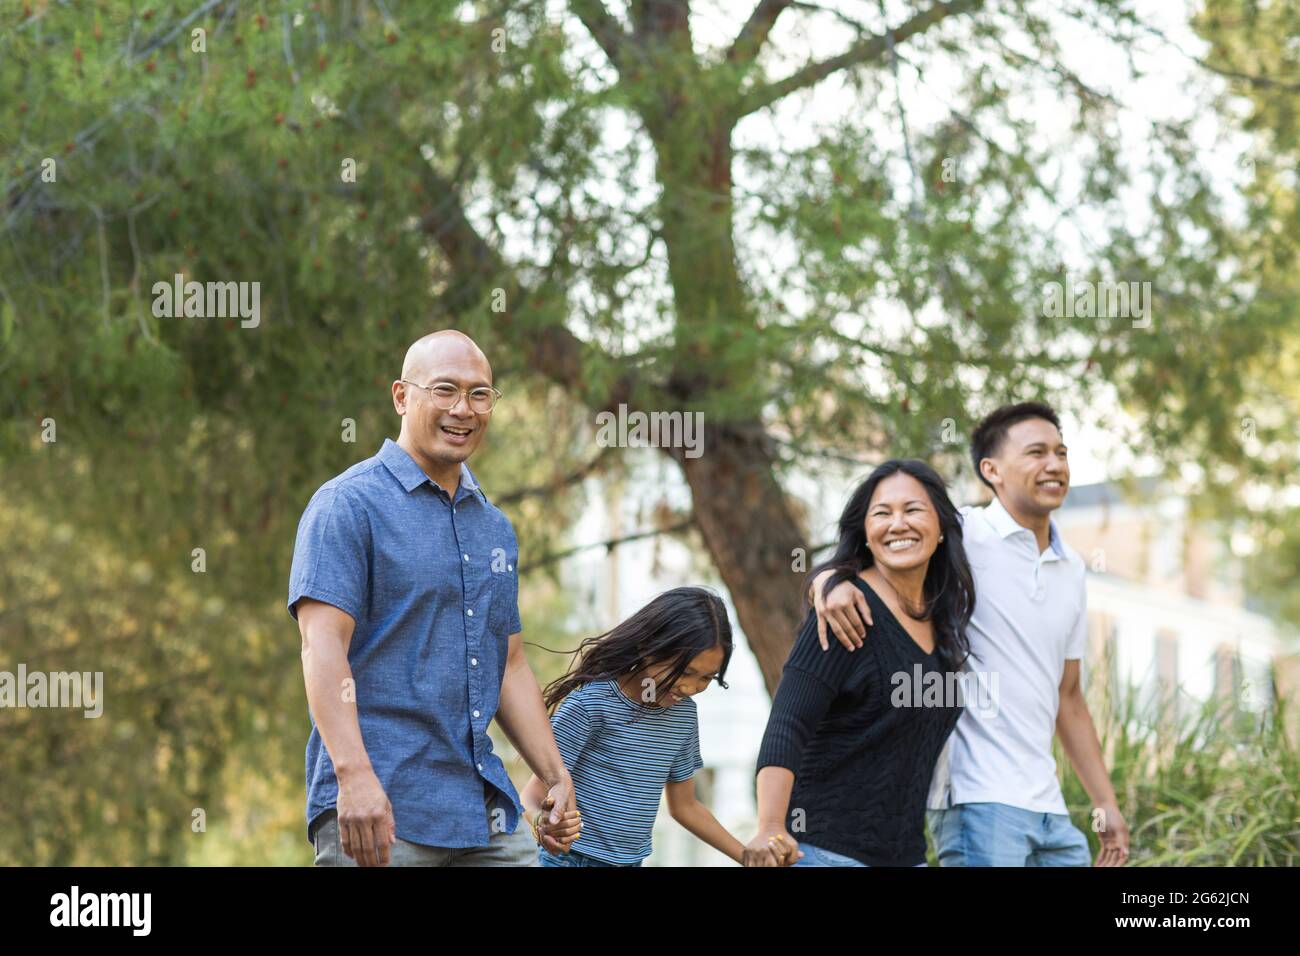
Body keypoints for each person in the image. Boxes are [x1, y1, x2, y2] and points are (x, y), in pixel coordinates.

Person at [288, 330, 575, 866]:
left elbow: (509, 665)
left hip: (479, 809)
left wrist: (554, 775)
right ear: (402, 396)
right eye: (445, 390)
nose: (463, 409)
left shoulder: (493, 528)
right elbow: (320, 645)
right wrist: (353, 777)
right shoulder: (346, 506)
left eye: (480, 394)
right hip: (379, 806)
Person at [810, 402, 1131, 866]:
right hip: (977, 798)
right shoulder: (960, 535)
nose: (1054, 465)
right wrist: (826, 582)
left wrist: (1106, 802)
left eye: (1061, 453)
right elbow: (870, 551)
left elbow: (1070, 695)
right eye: (1036, 452)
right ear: (991, 470)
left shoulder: (1073, 569)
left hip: (1048, 805)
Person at [746, 459, 975, 867]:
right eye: (882, 513)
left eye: (914, 510)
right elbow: (788, 723)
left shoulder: (943, 623)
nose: (898, 524)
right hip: (823, 852)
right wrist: (770, 826)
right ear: (865, 533)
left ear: (941, 528)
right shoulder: (844, 610)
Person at [521, 587, 748, 866]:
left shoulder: (684, 715)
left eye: (707, 678)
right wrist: (542, 827)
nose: (690, 687)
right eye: (684, 671)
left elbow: (685, 807)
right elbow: (530, 796)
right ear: (648, 646)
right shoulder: (592, 705)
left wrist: (746, 856)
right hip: (570, 860)